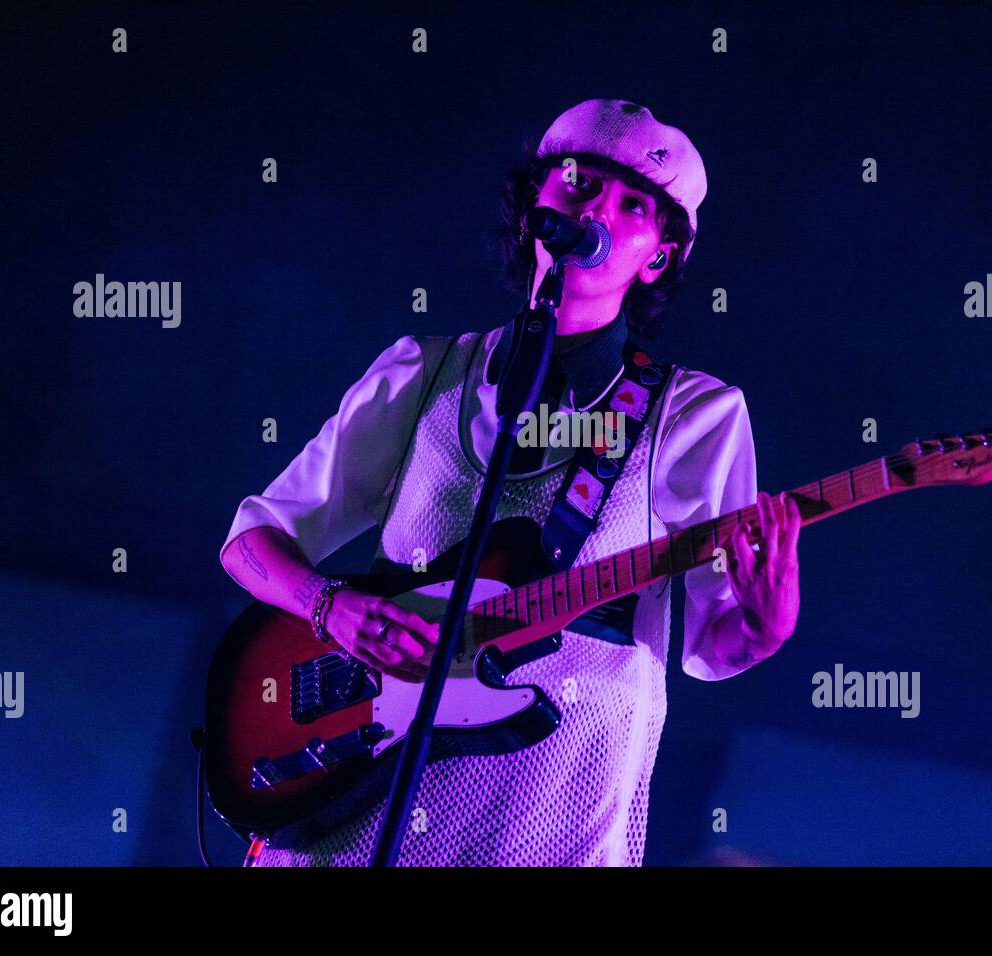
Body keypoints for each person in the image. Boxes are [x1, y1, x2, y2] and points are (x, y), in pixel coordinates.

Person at [218, 98, 802, 866]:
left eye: (635, 205)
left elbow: (707, 640)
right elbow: (253, 539)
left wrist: (765, 628)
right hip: (369, 788)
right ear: (536, 204)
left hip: (553, 808)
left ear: (657, 257)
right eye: (580, 181)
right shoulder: (423, 375)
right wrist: (330, 607)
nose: (599, 206)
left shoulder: (698, 416)